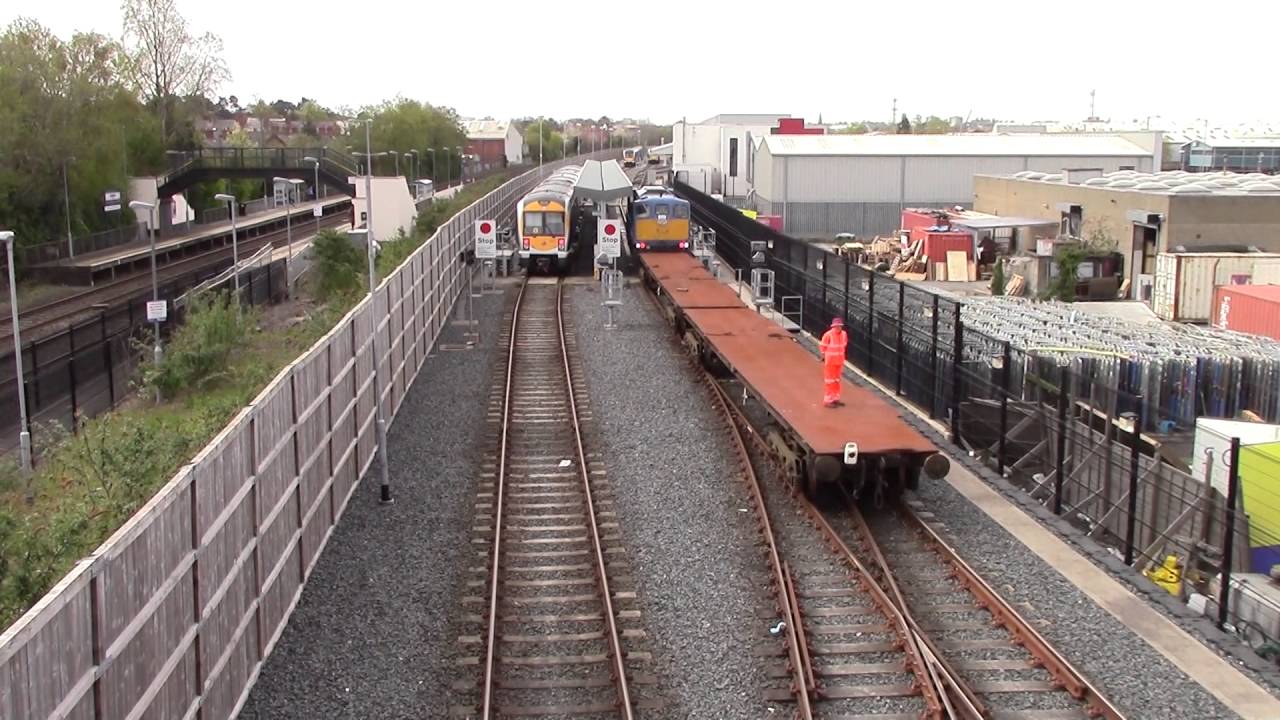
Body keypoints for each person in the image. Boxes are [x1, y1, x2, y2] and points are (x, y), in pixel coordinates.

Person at [819, 317, 848, 407]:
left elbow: (844, 345)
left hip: (839, 361)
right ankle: (828, 400)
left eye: (839, 326)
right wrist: (824, 356)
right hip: (831, 361)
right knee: (830, 381)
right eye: (836, 326)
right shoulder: (828, 335)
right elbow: (822, 347)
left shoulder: (844, 334)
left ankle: (835, 398)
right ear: (833, 326)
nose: (838, 328)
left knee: (836, 381)